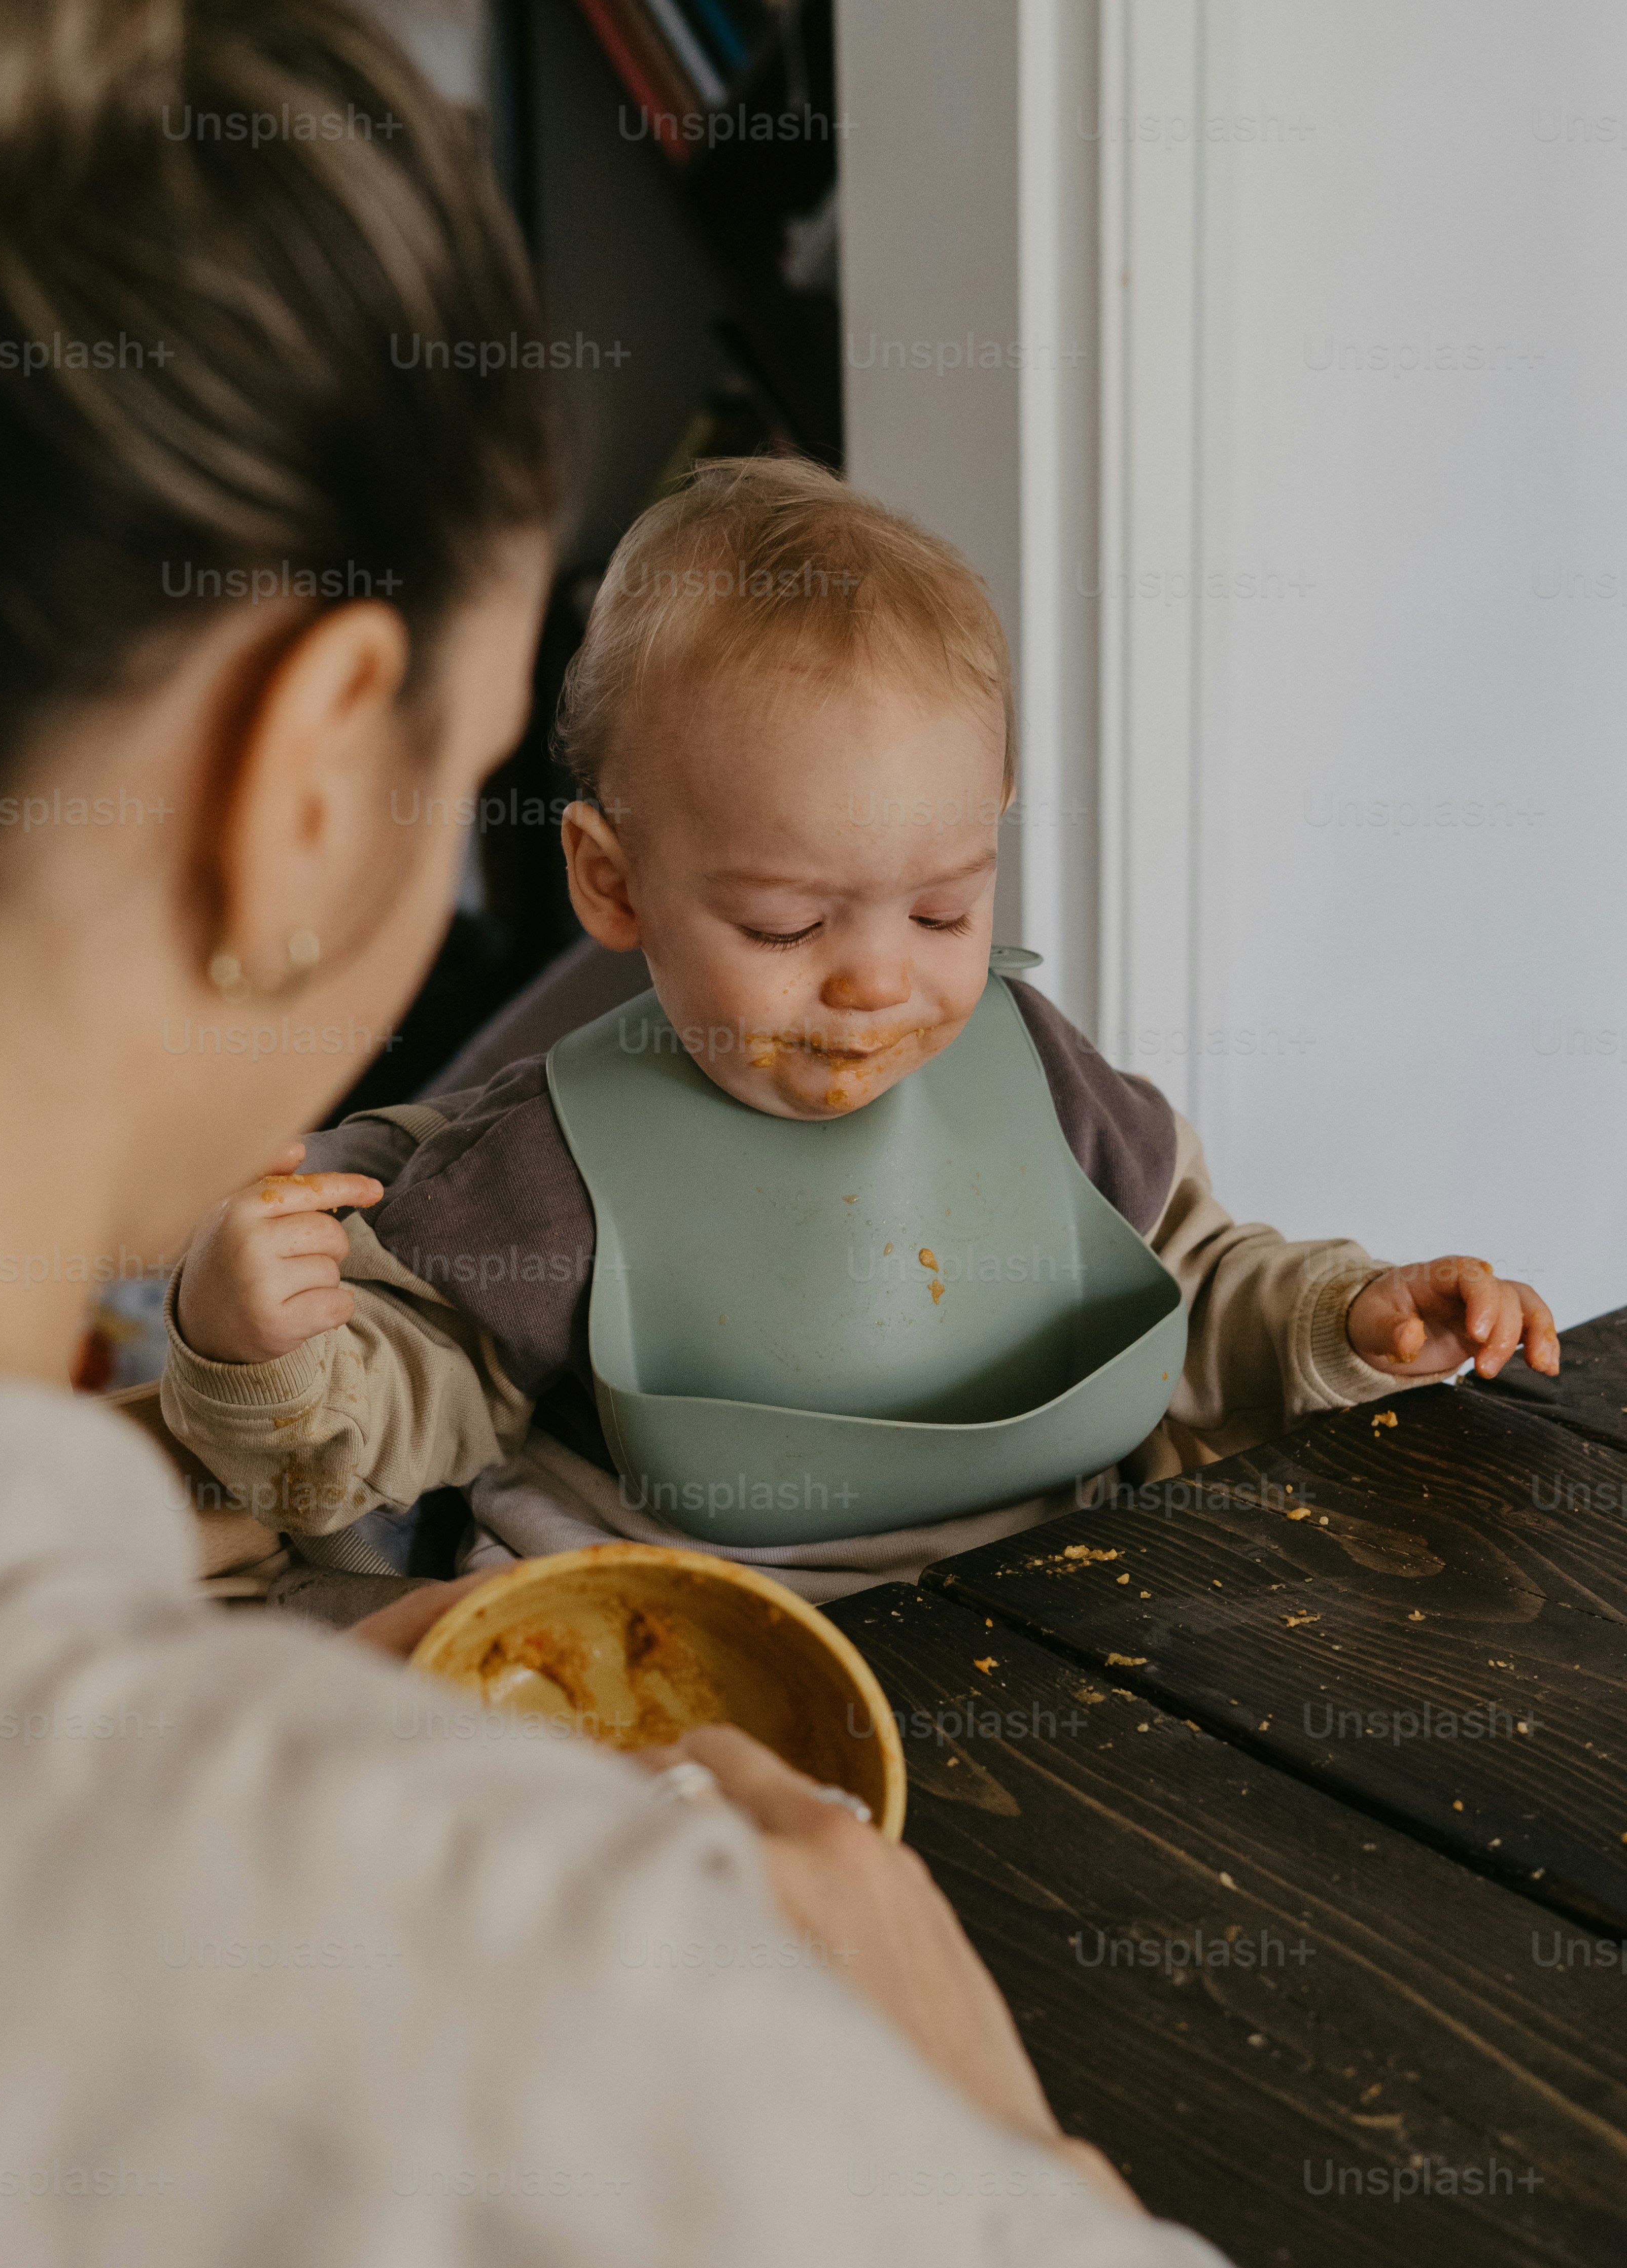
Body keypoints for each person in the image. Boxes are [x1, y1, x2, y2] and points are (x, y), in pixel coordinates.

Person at [0, 0, 1616, 2268]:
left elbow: (1187, 1268)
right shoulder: (490, 1982)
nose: (870, 980)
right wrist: (988, 2168)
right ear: (316, 783)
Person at [162, 458, 1560, 1607]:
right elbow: (353, 1459)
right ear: (613, 882)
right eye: (787, 927)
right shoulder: (547, 1169)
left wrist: (1347, 1318)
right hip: (673, 1678)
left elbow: (1194, 1286)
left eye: (945, 912)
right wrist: (261, 1351)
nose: (878, 985)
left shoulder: (1042, 1084)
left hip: (1053, 1627)